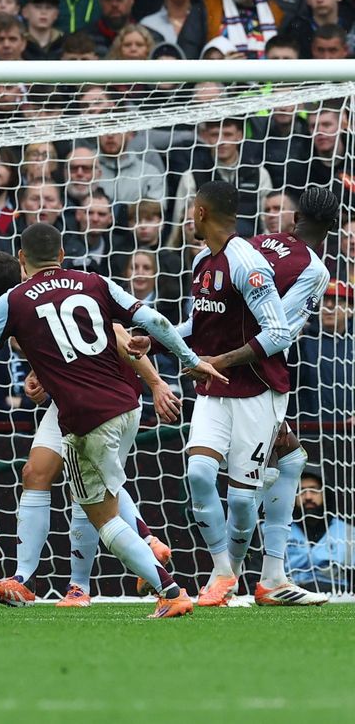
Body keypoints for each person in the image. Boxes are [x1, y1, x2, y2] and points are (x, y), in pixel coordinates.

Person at [0, 227, 224, 619]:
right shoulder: (96, 281)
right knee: (82, 486)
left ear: (22, 259)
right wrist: (190, 361)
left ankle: (167, 588)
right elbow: (153, 321)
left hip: (87, 416)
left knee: (100, 514)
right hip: (126, 407)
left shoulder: (13, 301)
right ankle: (134, 548)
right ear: (62, 252)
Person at [200, 188, 340, 606]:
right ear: (331, 229)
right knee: (246, 490)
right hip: (257, 375)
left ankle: (270, 577)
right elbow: (280, 330)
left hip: (228, 370)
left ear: (294, 217)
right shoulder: (314, 270)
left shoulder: (254, 243)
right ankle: (244, 576)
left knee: (292, 458)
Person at [174, 180, 295, 606]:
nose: (190, 218)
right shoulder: (201, 260)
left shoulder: (247, 262)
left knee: (243, 502)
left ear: (201, 213)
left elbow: (279, 332)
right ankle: (222, 572)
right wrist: (153, 340)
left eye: (192, 211)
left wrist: (221, 361)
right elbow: (197, 326)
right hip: (213, 390)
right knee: (199, 474)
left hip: (256, 393)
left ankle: (239, 574)